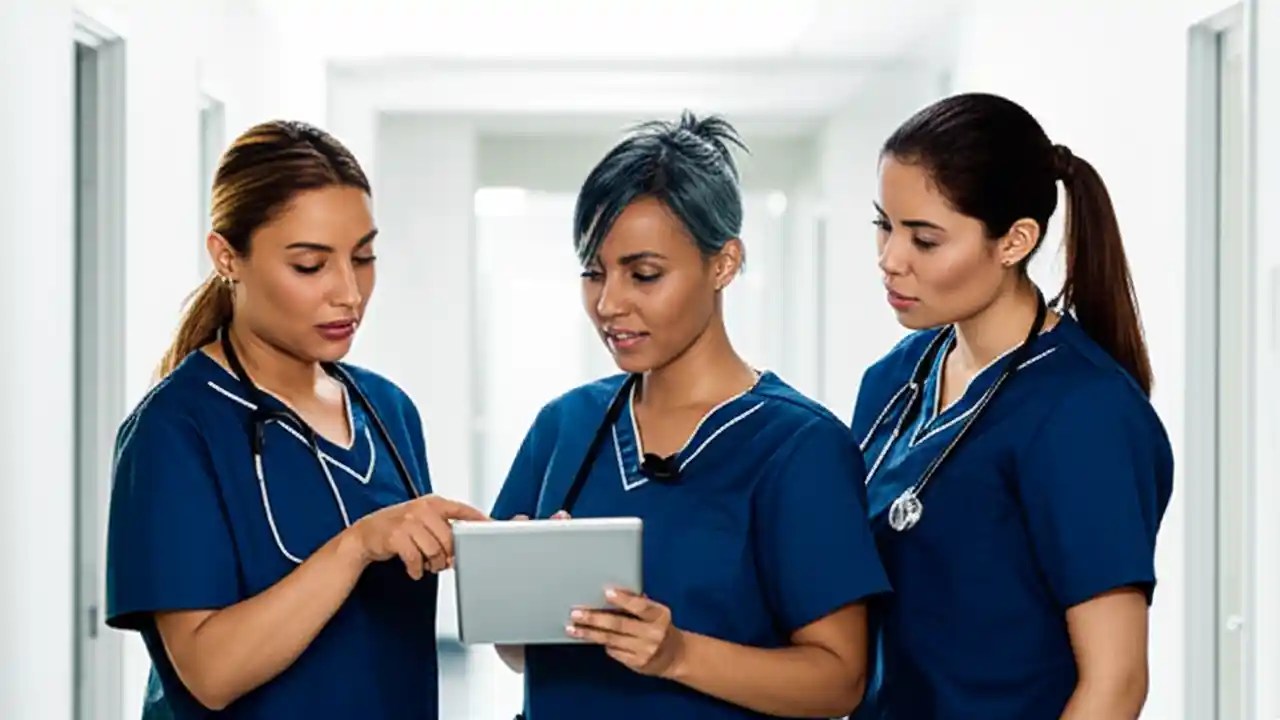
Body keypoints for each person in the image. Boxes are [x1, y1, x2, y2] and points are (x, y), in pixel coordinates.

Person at [488, 112, 890, 720]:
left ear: (724, 264)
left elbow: (839, 682)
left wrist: (676, 654)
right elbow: (519, 654)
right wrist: (524, 591)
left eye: (644, 275)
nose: (608, 303)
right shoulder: (563, 426)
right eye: (593, 272)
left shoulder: (800, 446)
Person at [104, 120, 487, 718]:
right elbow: (210, 672)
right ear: (227, 257)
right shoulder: (175, 430)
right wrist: (358, 545)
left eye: (363, 258)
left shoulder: (388, 412)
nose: (349, 293)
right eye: (310, 266)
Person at [850, 92, 1174, 719]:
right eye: (884, 226)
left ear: (1015, 240)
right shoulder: (891, 381)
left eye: (925, 239)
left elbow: (1116, 682)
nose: (890, 259)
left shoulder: (1084, 414)